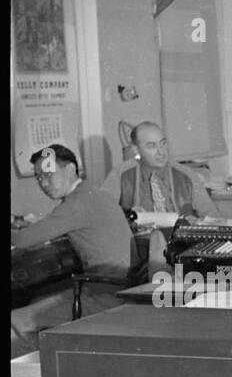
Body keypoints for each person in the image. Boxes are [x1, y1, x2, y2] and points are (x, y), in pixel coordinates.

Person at [11, 144, 138, 350]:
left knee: (17, 320)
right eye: (38, 177)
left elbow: (23, 240)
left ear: (70, 169)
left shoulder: (76, 205)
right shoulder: (91, 194)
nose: (43, 182)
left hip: (106, 295)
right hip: (120, 286)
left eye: (48, 174)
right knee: (40, 298)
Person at [105, 121, 218, 217]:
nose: (161, 152)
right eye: (151, 146)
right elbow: (100, 214)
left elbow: (212, 215)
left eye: (163, 143)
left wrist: (196, 223)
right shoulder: (121, 173)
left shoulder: (186, 174)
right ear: (136, 149)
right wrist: (129, 216)